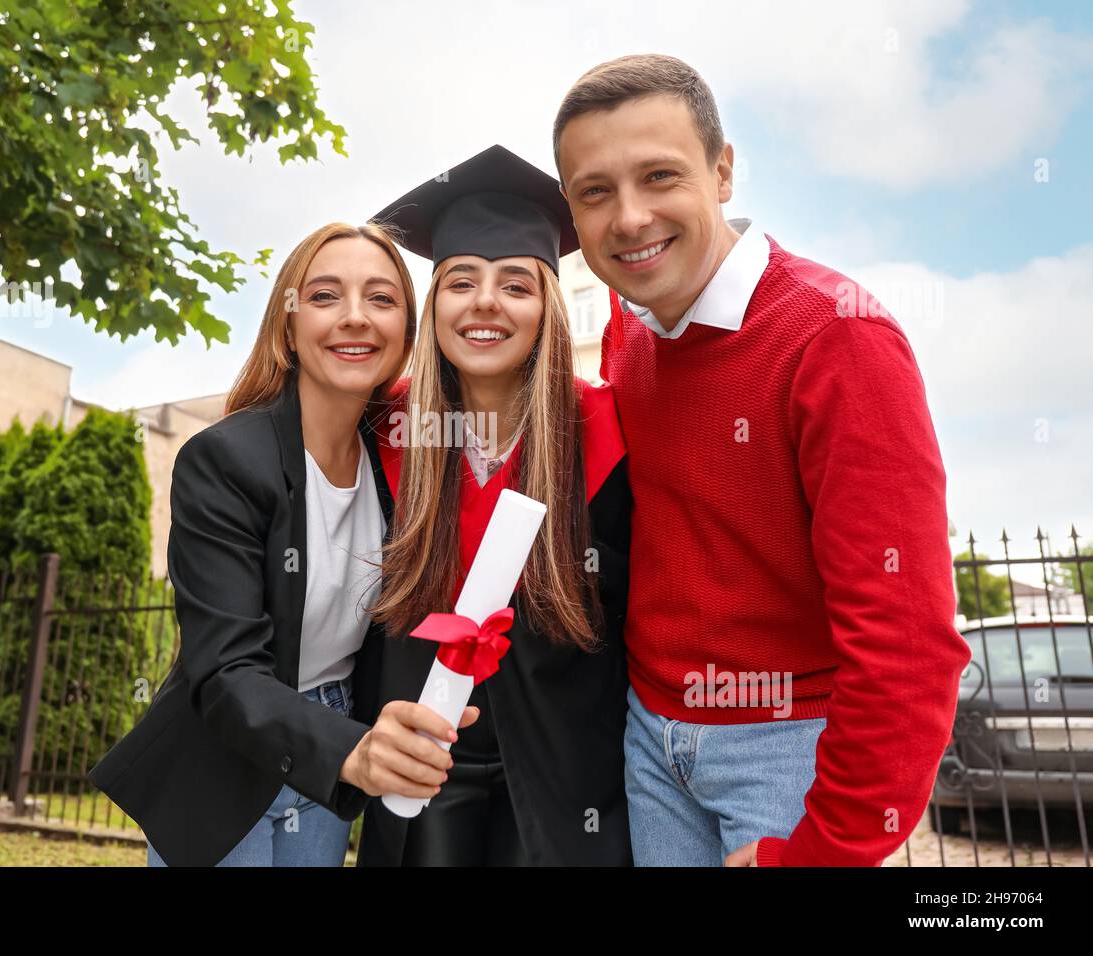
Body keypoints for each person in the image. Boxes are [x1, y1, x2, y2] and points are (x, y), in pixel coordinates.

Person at [551, 54, 973, 866]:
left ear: (723, 172)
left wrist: (828, 850)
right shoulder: (628, 335)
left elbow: (910, 643)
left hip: (790, 750)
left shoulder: (837, 336)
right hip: (652, 743)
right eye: (594, 192)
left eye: (659, 176)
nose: (630, 217)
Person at [87, 221, 479, 867]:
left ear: (407, 335)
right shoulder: (226, 461)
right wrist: (352, 751)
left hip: (331, 755)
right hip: (227, 752)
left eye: (382, 299)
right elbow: (225, 670)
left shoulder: (399, 463)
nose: (356, 318)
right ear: (288, 326)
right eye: (325, 296)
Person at [357, 145, 633, 866]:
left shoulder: (607, 429)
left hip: (565, 763)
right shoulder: (381, 429)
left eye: (516, 284)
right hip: (423, 749)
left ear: (547, 307)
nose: (485, 303)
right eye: (461, 282)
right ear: (435, 306)